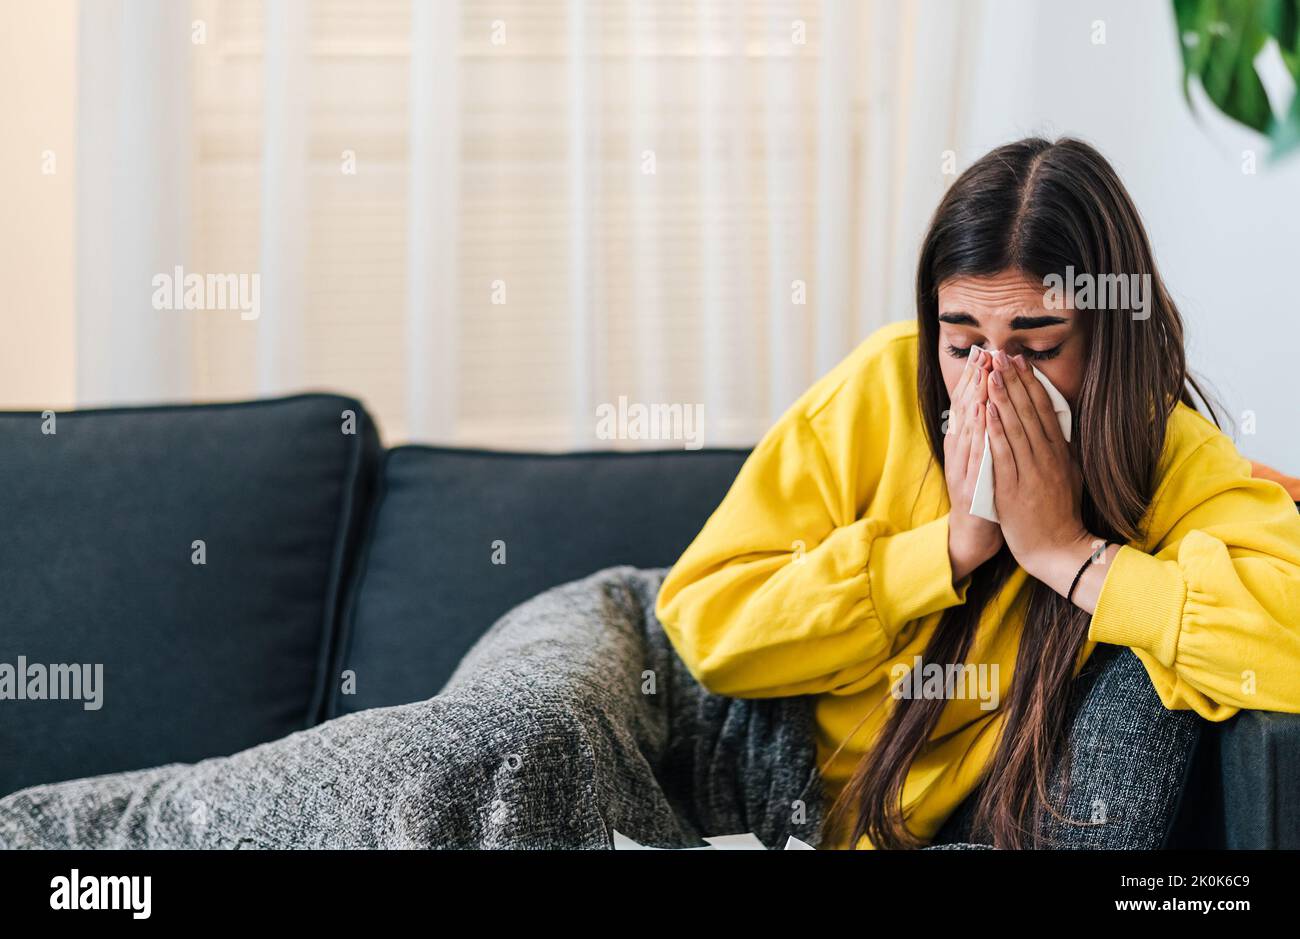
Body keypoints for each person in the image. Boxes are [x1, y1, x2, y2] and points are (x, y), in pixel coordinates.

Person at [654, 137, 1300, 850]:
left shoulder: (1172, 455)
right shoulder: (881, 387)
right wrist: (951, 548)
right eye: (963, 346)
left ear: (1109, 338)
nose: (991, 383)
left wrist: (1070, 554)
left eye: (1038, 348)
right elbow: (708, 630)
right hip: (757, 754)